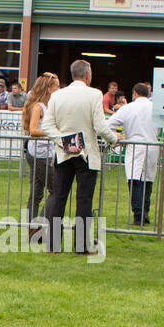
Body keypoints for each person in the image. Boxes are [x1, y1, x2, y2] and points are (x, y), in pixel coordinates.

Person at [40, 59, 119, 255]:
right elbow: (101, 126)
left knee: (59, 198)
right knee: (84, 201)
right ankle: (82, 246)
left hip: (64, 154)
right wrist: (114, 140)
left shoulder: (57, 95)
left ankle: (53, 245)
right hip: (87, 155)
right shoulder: (94, 94)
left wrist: (65, 141)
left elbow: (47, 126)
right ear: (87, 75)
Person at [106, 82, 160, 227]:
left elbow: (108, 125)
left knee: (134, 179)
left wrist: (117, 135)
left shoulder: (127, 108)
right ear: (148, 94)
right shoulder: (156, 108)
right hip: (153, 145)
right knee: (148, 180)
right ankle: (145, 212)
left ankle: (138, 215)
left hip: (135, 145)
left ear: (135, 93)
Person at [22, 72, 59, 240]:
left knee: (36, 193)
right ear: (49, 89)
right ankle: (38, 226)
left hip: (43, 153)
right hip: (39, 153)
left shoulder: (47, 106)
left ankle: (32, 228)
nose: (59, 89)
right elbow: (33, 130)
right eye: (57, 86)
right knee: (55, 190)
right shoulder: (38, 107)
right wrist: (54, 133)